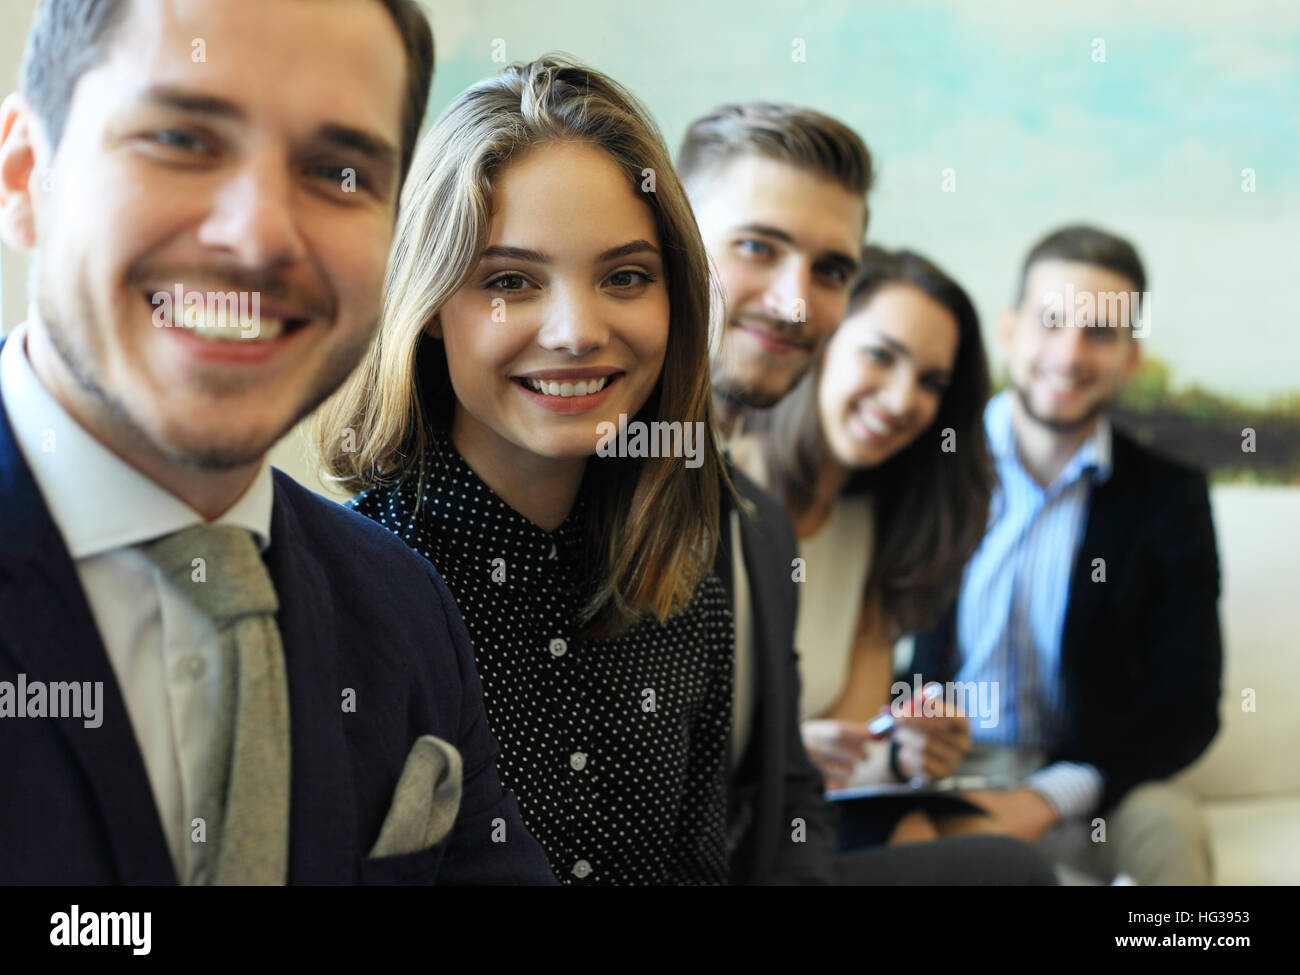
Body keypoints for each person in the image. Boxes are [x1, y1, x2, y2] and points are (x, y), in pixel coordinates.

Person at [0, 0, 554, 885]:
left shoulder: (404, 607)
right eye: (183, 139)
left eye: (338, 173)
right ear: (28, 175)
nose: (259, 236)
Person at [319, 56, 736, 885]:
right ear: (431, 307)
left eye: (625, 277)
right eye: (511, 281)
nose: (577, 331)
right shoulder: (345, 592)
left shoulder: (688, 594)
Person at [678, 104, 1054, 884]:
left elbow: (834, 743)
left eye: (829, 272)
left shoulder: (806, 523)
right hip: (727, 838)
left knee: (995, 861)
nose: (901, 398)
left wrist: (896, 746)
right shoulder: (680, 473)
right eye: (757, 246)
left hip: (786, 824)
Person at [913, 225, 1223, 884]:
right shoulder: (926, 463)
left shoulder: (1169, 496)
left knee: (1169, 821)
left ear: (1132, 356)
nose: (1070, 352)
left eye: (1101, 333)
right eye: (1051, 322)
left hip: (1091, 782)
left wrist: (1051, 792)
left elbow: (1189, 702)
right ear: (1009, 329)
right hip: (936, 775)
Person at [736, 247, 995, 844]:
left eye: (931, 382)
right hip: (710, 831)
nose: (905, 401)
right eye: (881, 355)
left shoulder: (874, 525)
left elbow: (848, 748)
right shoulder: (713, 490)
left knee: (943, 839)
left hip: (800, 826)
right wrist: (777, 756)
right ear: (820, 345)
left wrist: (906, 754)